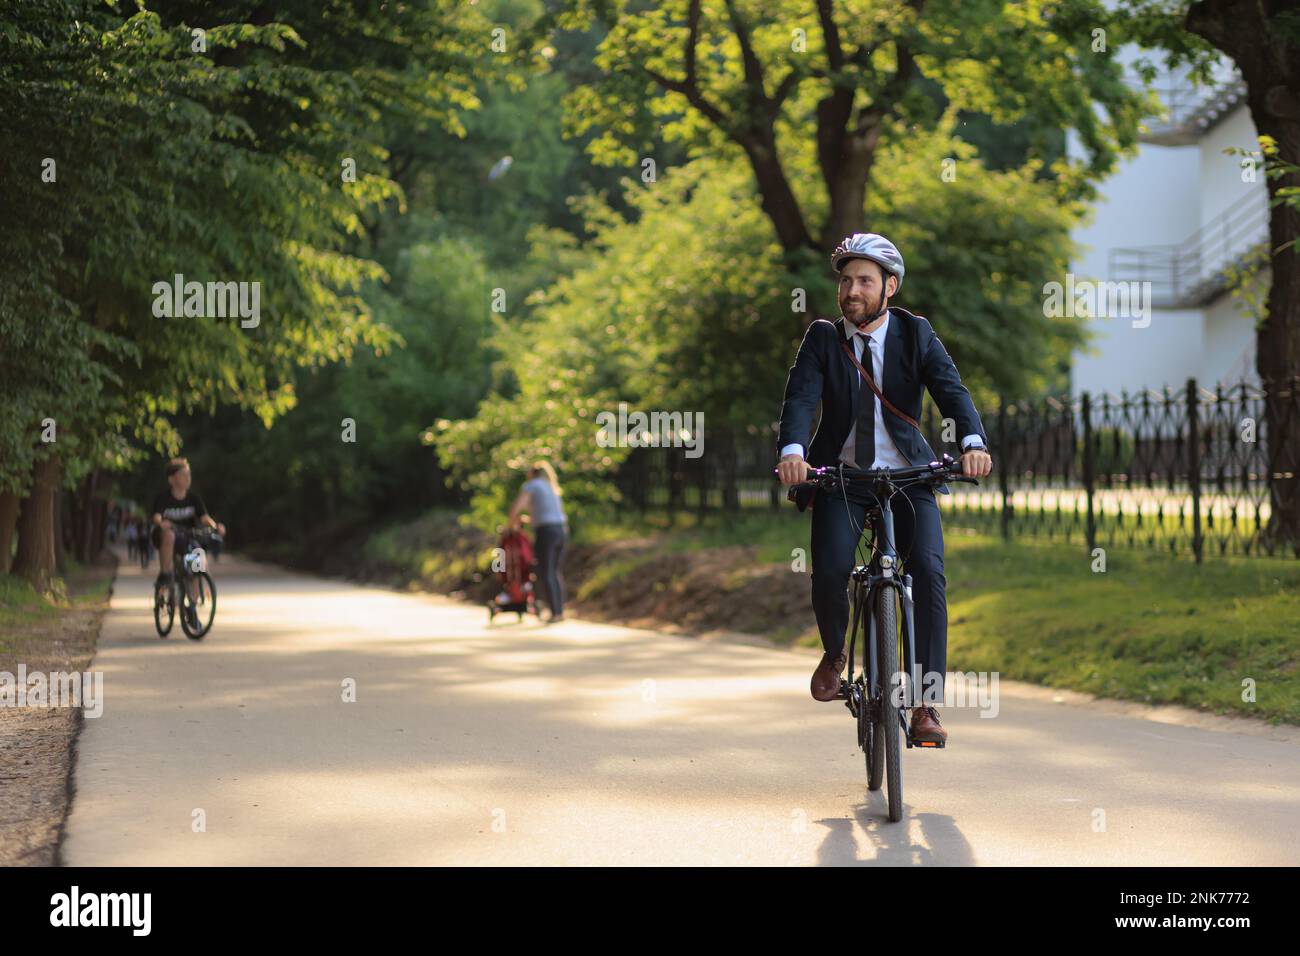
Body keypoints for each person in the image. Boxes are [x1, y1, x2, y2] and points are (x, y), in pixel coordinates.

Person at [775, 233, 993, 743]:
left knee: (931, 575)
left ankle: (925, 704)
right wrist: (793, 452)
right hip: (843, 479)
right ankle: (835, 651)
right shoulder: (823, 340)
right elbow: (802, 398)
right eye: (846, 280)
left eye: (865, 281)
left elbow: (950, 389)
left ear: (889, 287)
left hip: (909, 477)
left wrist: (973, 441)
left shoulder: (916, 334)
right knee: (828, 568)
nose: (852, 290)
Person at [150, 458, 225, 626]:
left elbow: (204, 518)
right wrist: (161, 523)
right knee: (169, 535)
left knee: (196, 565)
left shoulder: (193, 499)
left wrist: (215, 526)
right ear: (172, 479)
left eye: (188, 475)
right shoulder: (163, 498)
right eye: (183, 475)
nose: (187, 478)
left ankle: (191, 607)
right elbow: (156, 516)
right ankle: (166, 574)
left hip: (186, 539)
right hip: (166, 539)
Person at [507, 460, 568, 623]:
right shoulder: (552, 487)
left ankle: (555, 613)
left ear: (532, 473)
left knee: (546, 571)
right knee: (554, 571)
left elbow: (518, 506)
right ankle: (559, 610)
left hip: (546, 532)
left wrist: (510, 525)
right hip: (561, 530)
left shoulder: (532, 485)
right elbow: (543, 511)